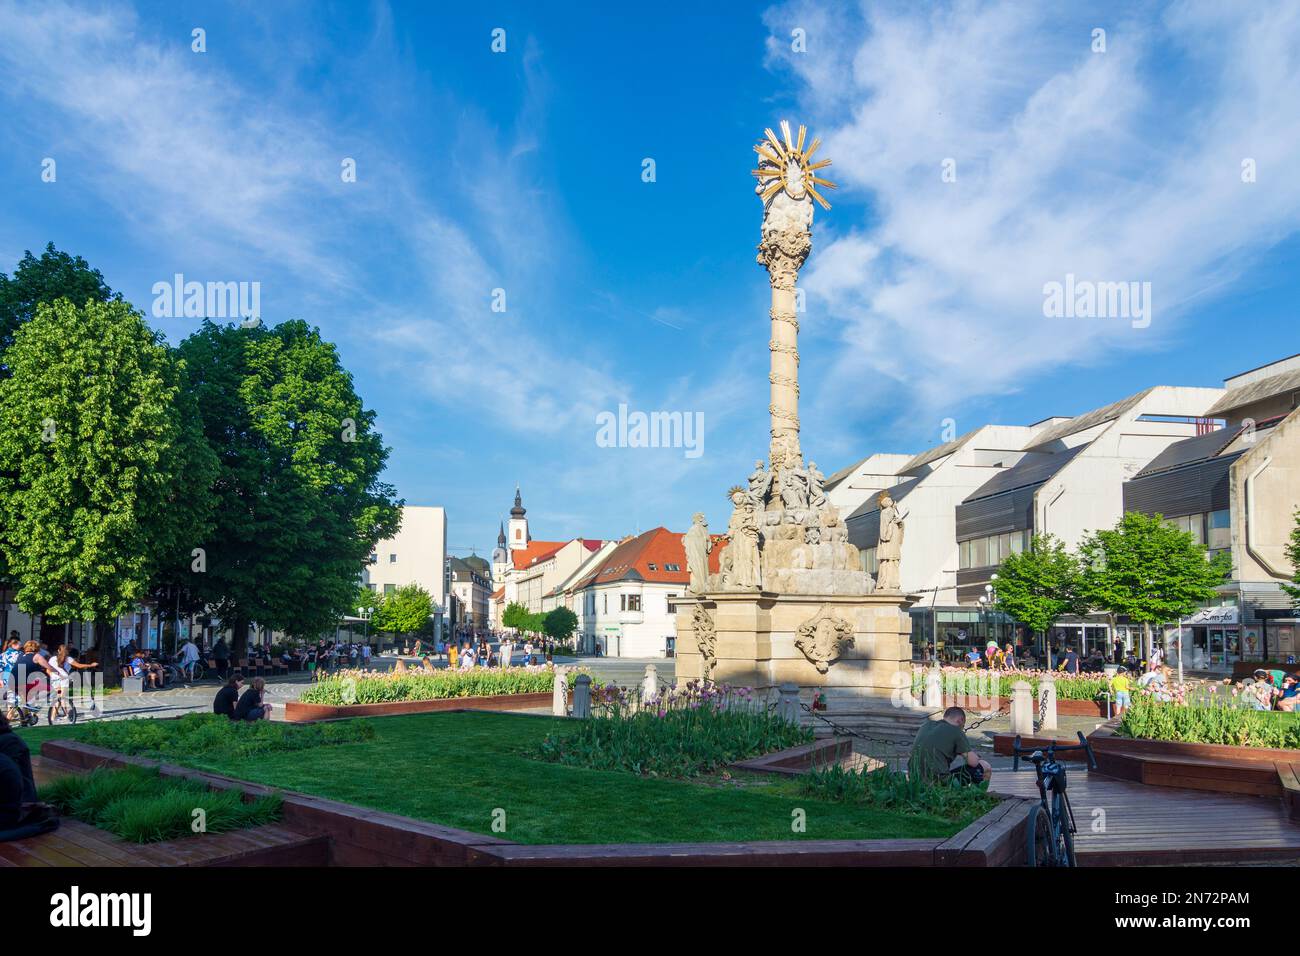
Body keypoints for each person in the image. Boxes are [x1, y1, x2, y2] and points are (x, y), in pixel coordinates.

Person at [908, 707, 992, 787]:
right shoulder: (956, 731)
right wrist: (976, 757)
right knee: (985, 766)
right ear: (960, 720)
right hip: (939, 781)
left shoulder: (926, 725)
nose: (962, 728)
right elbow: (973, 763)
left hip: (915, 778)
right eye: (963, 726)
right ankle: (977, 795)